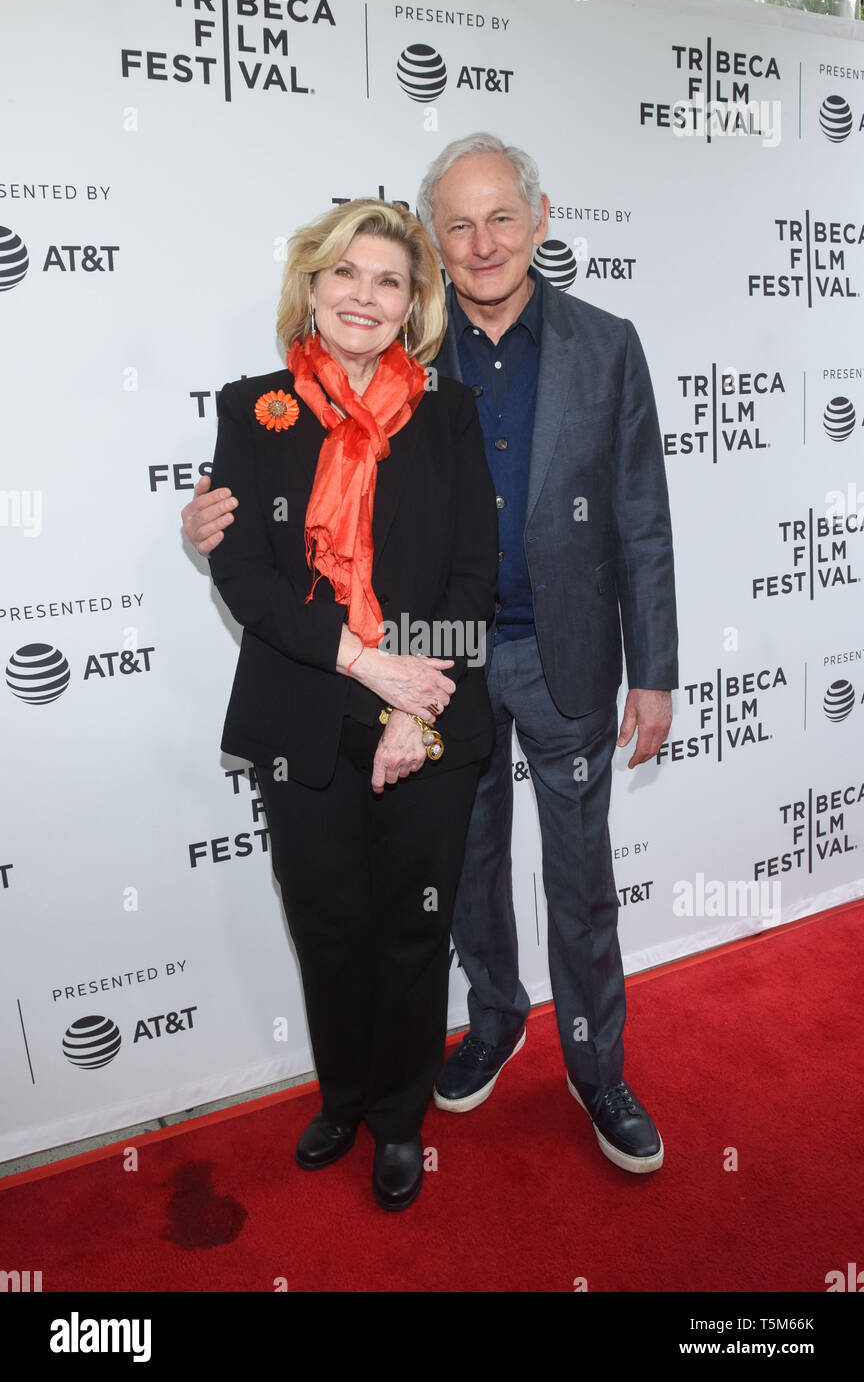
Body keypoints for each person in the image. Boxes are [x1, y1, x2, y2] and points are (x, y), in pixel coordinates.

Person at [184, 134, 678, 1175]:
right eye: (457, 223)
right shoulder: (402, 367)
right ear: (433, 254)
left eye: (502, 217)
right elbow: (285, 554)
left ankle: (598, 1072)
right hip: (424, 667)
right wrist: (208, 532)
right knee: (462, 881)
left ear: (540, 221)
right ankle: (492, 1019)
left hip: (553, 656)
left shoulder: (603, 344)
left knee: (581, 879)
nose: (482, 240)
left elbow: (641, 519)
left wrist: (656, 666)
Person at [204, 197, 498, 1210]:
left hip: (430, 712)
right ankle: (343, 1094)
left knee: (414, 929)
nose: (363, 296)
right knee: (328, 925)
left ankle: (400, 1118)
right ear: (313, 285)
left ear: (413, 301)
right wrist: (364, 668)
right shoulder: (254, 409)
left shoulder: (450, 414)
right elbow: (243, 577)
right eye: (345, 275)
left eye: (387, 280)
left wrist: (412, 709)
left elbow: (473, 576)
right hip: (303, 717)